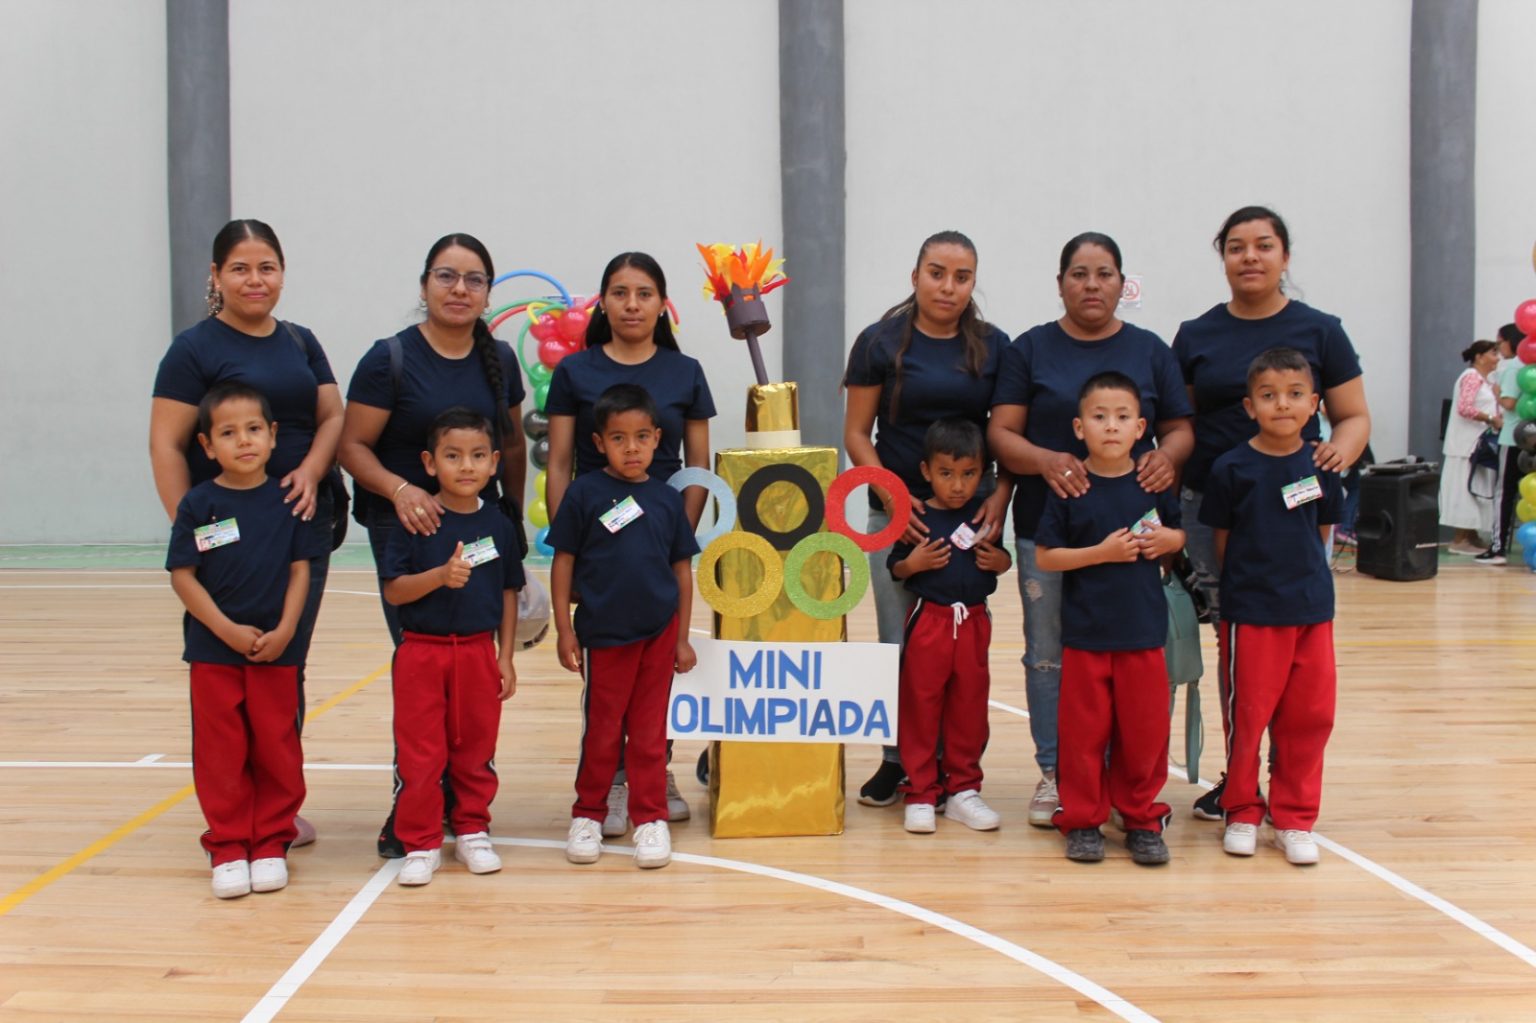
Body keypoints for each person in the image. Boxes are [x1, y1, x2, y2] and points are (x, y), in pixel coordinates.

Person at [988, 232, 1193, 827]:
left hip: (1131, 534)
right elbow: (1002, 432)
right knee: (1050, 658)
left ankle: (1124, 785)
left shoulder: (1151, 350)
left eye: (1104, 274)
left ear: (1121, 284)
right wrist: (1045, 460)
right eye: (1079, 274)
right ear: (1060, 284)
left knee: (1128, 660)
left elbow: (1180, 427)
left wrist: (1168, 456)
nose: (1091, 285)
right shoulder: (1029, 349)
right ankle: (1057, 774)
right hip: (1048, 530)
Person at [1171, 206, 1369, 820]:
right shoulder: (1196, 334)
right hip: (1212, 506)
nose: (1249, 257)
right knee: (1238, 642)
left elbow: (1354, 416)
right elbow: (1181, 422)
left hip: (1294, 510)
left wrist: (1338, 453)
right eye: (1236, 247)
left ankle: (1289, 781)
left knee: (1293, 643)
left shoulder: (1322, 330)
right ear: (1222, 257)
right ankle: (1240, 783)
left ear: (1285, 255)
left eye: (1263, 245)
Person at [150, 218, 341, 848]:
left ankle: (276, 808)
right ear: (216, 277)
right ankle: (237, 817)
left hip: (297, 535)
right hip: (228, 546)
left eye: (267, 267)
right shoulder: (193, 349)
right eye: (240, 268)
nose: (255, 280)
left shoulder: (300, 340)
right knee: (225, 678)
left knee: (285, 664)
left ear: (282, 274)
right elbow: (167, 444)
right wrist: (198, 535)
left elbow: (331, 413)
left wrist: (313, 469)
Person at [337, 233, 526, 858]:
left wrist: (512, 518)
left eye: (474, 280)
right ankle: (415, 808)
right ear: (424, 286)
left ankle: (463, 810)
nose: (459, 290)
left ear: (487, 293)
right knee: (423, 681)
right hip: (409, 533)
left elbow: (515, 447)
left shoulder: (499, 357)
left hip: (477, 526)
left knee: (469, 677)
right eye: (447, 277)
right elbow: (351, 446)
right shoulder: (389, 357)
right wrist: (400, 491)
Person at [545, 252, 714, 832]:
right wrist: (571, 535)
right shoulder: (575, 372)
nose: (632, 304)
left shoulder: (685, 370)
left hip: (660, 529)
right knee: (609, 677)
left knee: (655, 665)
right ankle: (609, 786)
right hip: (599, 533)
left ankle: (653, 771)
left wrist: (677, 531)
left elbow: (698, 464)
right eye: (620, 292)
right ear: (603, 302)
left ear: (663, 304)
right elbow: (561, 461)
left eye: (644, 293)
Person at [843, 230, 1011, 808]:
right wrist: (892, 495)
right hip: (896, 511)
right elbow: (855, 435)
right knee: (901, 640)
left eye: (961, 277)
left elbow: (1006, 434)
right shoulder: (879, 341)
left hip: (970, 512)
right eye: (936, 272)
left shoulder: (993, 347)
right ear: (915, 276)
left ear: (972, 283)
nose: (948, 286)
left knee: (959, 642)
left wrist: (1002, 494)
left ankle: (954, 768)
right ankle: (899, 761)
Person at [166, 384, 327, 898]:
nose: (244, 441)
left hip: (277, 653)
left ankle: (271, 841)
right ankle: (230, 845)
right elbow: (184, 577)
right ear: (208, 446)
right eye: (228, 433)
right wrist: (225, 630)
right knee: (221, 751)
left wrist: (285, 631)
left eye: (254, 429)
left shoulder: (290, 499)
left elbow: (302, 572)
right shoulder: (199, 504)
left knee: (277, 747)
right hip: (215, 653)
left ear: (273, 435)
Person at [1035, 373, 1185, 865]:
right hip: (1086, 637)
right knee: (1083, 738)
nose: (1111, 427)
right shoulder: (1070, 488)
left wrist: (1170, 542)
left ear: (1141, 427)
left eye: (1122, 417)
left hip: (1143, 634)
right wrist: (1099, 553)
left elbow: (1177, 536)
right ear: (1080, 428)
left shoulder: (1152, 483)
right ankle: (1081, 820)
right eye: (1100, 417)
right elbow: (1047, 558)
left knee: (1144, 734)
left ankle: (1141, 818)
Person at [1200, 348, 1343, 865]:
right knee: (1248, 715)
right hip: (1253, 613)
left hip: (1311, 610)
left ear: (1314, 405)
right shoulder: (1231, 468)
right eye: (1269, 395)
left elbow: (1322, 533)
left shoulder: (1323, 464)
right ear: (1249, 406)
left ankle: (1295, 817)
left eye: (1294, 394)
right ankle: (1240, 808)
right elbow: (1223, 539)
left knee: (1309, 717)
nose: (1282, 404)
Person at [548, 384, 699, 870]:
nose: (631, 447)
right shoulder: (584, 494)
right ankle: (587, 813)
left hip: (658, 635)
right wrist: (564, 630)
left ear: (657, 439)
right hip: (603, 636)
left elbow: (681, 573)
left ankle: (649, 818)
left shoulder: (666, 501)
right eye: (618, 438)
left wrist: (681, 638)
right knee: (603, 731)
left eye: (640, 437)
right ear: (599, 443)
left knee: (651, 732)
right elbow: (563, 563)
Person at [380, 409, 522, 887]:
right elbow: (395, 591)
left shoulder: (500, 523)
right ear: (429, 462)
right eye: (453, 456)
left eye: (478, 456)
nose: (466, 466)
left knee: (476, 748)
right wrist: (440, 576)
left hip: (479, 653)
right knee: (421, 754)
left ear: (494, 462)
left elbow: (508, 590)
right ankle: (420, 842)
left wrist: (504, 656)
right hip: (422, 652)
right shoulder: (416, 520)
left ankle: (472, 830)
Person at [887, 420, 1012, 834]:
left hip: (975, 620)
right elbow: (896, 568)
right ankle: (922, 791)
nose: (957, 485)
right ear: (926, 471)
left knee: (970, 708)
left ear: (982, 473)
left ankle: (963, 790)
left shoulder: (983, 517)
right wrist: (914, 564)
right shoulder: (918, 516)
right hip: (931, 620)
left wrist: (1002, 562)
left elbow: (1002, 559)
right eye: (946, 473)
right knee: (920, 705)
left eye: (968, 474)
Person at [1438, 340, 1502, 554]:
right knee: (1463, 491)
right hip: (1465, 446)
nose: (1497, 358)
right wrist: (1491, 418)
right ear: (1479, 357)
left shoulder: (1486, 381)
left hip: (1478, 446)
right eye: (1494, 353)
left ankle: (1471, 535)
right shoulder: (1471, 377)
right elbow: (1465, 408)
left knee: (1477, 490)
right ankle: (1460, 538)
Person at [1482, 324, 1527, 565]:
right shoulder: (1530, 366)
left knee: (1503, 493)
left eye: (1500, 343)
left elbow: (1508, 403)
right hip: (1531, 437)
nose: (1498, 348)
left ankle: (1497, 548)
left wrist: (1497, 391)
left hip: (1512, 438)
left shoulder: (1513, 367)